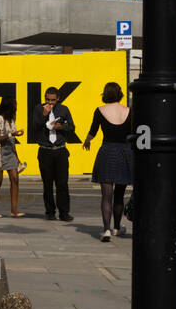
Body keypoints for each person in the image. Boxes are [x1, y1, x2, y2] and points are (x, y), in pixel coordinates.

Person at [83, 82, 133, 241]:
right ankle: (117, 228)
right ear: (120, 94)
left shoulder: (100, 111)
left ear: (105, 94)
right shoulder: (128, 111)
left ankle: (106, 230)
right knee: (119, 195)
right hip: (124, 152)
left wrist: (87, 140)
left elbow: (93, 131)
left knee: (106, 195)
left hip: (107, 152)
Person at [30, 86, 75, 221]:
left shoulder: (63, 109)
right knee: (47, 183)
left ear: (58, 99)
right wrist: (44, 115)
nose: (50, 103)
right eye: (47, 99)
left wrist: (60, 126)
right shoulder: (39, 109)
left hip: (60, 150)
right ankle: (50, 211)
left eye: (53, 100)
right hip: (45, 150)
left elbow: (72, 127)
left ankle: (64, 212)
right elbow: (34, 127)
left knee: (62, 183)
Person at [0, 97, 26, 218]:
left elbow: (12, 141)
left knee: (15, 178)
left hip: (10, 153)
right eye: (14, 105)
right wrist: (12, 134)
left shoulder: (12, 120)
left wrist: (17, 158)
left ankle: (14, 210)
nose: (16, 107)